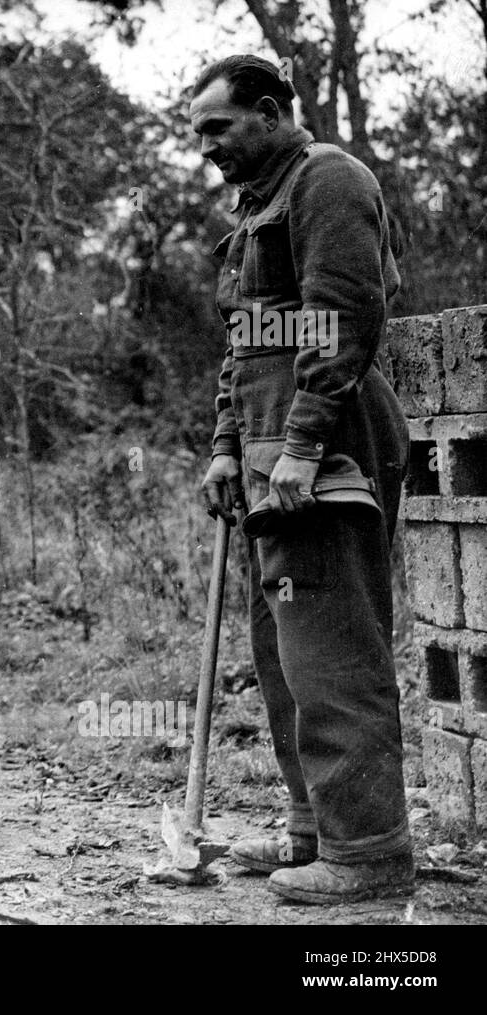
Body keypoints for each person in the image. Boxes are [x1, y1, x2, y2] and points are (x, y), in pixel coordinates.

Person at [191, 55, 413, 903]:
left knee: (333, 652)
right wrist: (223, 445)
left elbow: (344, 316)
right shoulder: (253, 209)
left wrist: (305, 444)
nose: (206, 147)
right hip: (264, 451)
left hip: (328, 441)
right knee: (284, 652)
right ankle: (313, 829)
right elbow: (244, 348)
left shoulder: (327, 179)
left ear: (273, 111)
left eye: (218, 128)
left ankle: (368, 852)